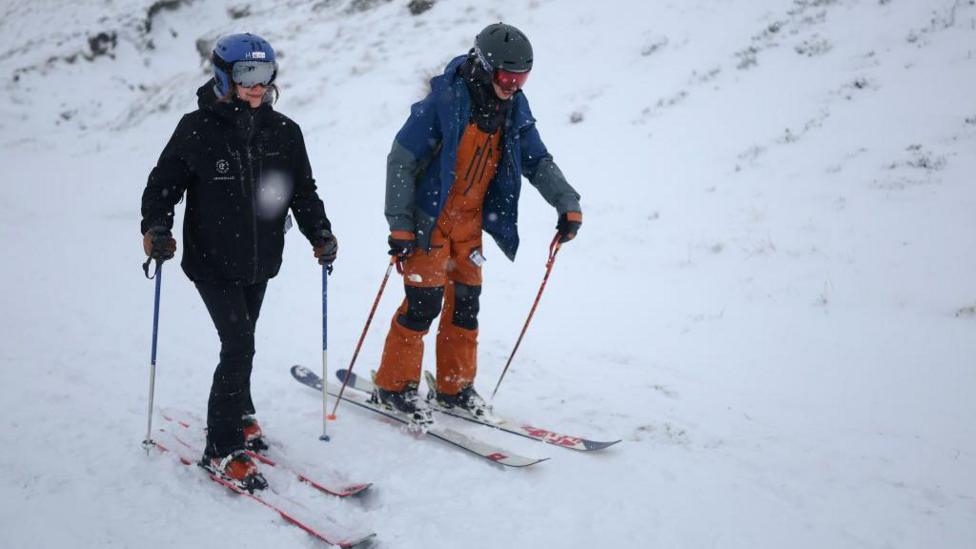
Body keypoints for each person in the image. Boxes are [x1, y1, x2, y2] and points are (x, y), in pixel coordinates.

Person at [140, 33, 337, 490]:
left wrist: (320, 233)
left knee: (243, 339)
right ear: (224, 75)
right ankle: (222, 447)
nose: (257, 85)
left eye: (266, 75)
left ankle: (241, 412)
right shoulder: (197, 129)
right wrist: (156, 229)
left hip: (260, 260)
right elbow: (162, 187)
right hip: (211, 261)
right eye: (247, 75)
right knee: (238, 344)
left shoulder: (284, 131)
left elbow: (301, 192)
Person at [374, 23, 583, 426]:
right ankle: (394, 386)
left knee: (466, 306)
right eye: (507, 76)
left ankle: (454, 387)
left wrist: (567, 202)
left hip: (469, 225)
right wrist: (399, 225)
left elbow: (537, 160)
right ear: (486, 68)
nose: (514, 85)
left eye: (522, 77)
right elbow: (401, 160)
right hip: (429, 223)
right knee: (423, 306)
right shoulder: (443, 102)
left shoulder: (514, 109)